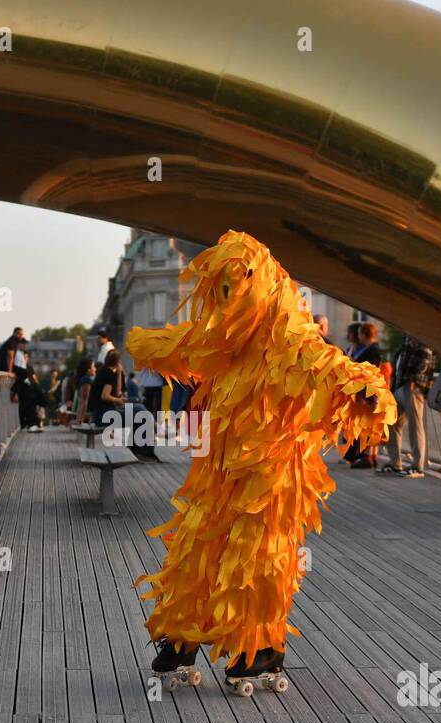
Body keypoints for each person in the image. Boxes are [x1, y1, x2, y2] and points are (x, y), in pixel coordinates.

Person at [127, 230, 395, 688]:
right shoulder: (226, 342)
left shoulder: (291, 343)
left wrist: (368, 392)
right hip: (220, 472)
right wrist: (148, 344)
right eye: (221, 293)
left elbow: (332, 369)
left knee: (251, 557)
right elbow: (187, 344)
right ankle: (188, 638)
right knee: (202, 547)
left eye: (235, 291)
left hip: (271, 476)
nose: (228, 304)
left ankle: (249, 647)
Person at [89, 348, 157, 460]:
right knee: (142, 413)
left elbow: (117, 393)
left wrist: (119, 373)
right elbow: (105, 396)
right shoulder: (109, 373)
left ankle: (137, 449)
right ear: (117, 362)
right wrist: (117, 401)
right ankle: (144, 452)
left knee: (140, 409)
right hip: (105, 415)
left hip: (101, 414)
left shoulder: (104, 371)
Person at [386, 335, 433, 477]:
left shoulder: (421, 337)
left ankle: (418, 466)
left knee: (415, 425)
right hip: (400, 386)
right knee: (392, 423)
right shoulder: (407, 338)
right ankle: (395, 463)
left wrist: (413, 380)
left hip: (412, 387)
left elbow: (426, 357)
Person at [342, 323, 383, 469]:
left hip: (368, 391)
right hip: (364, 391)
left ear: (364, 334)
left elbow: (371, 371)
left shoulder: (372, 351)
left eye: (360, 333)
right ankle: (368, 456)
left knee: (367, 424)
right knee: (366, 424)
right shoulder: (371, 350)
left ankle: (368, 456)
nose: (358, 336)